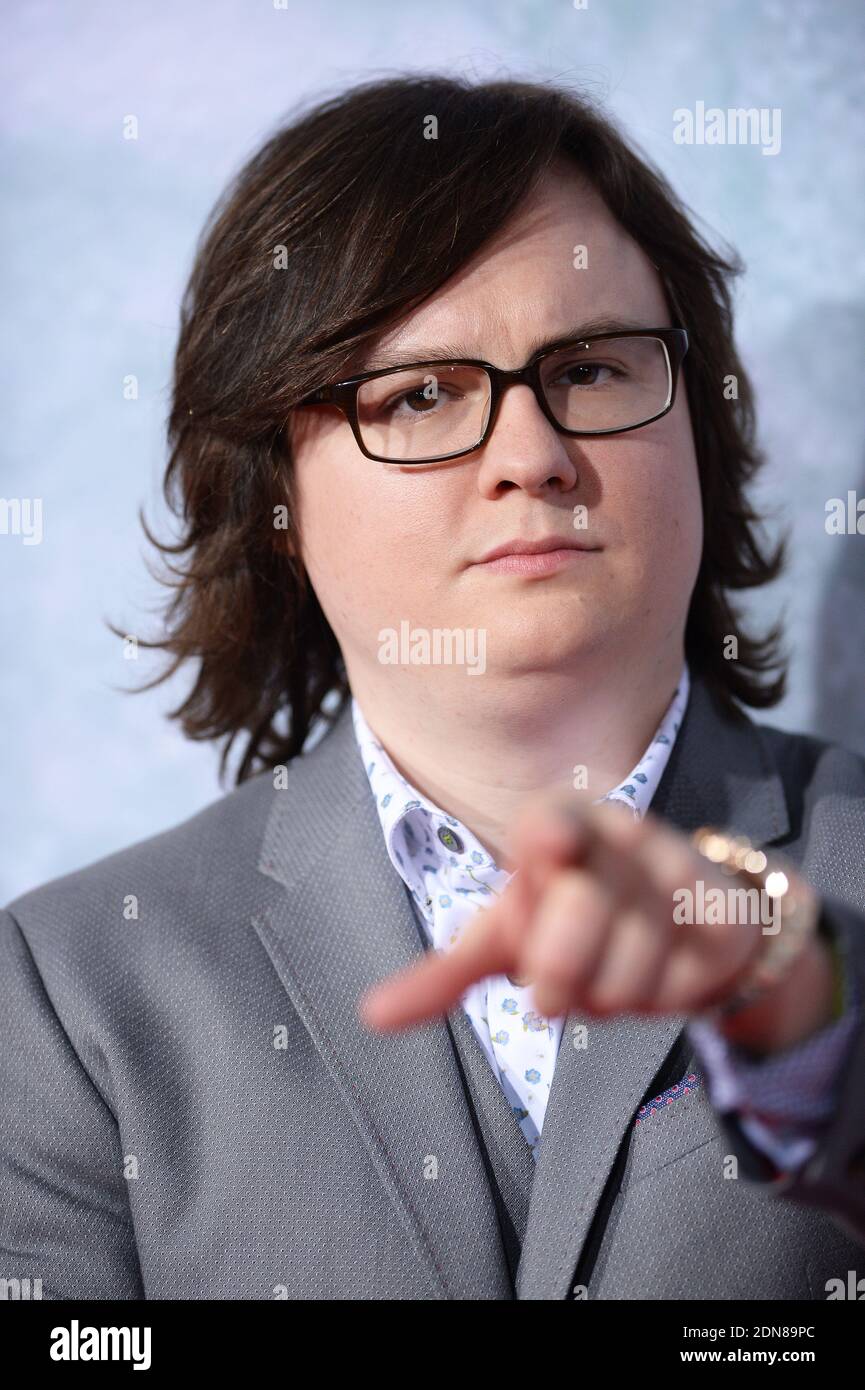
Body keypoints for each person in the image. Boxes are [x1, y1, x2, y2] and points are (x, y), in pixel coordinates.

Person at [2, 74, 864, 1302]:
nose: (532, 457)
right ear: (275, 499)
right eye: (418, 395)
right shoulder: (63, 991)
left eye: (592, 370)